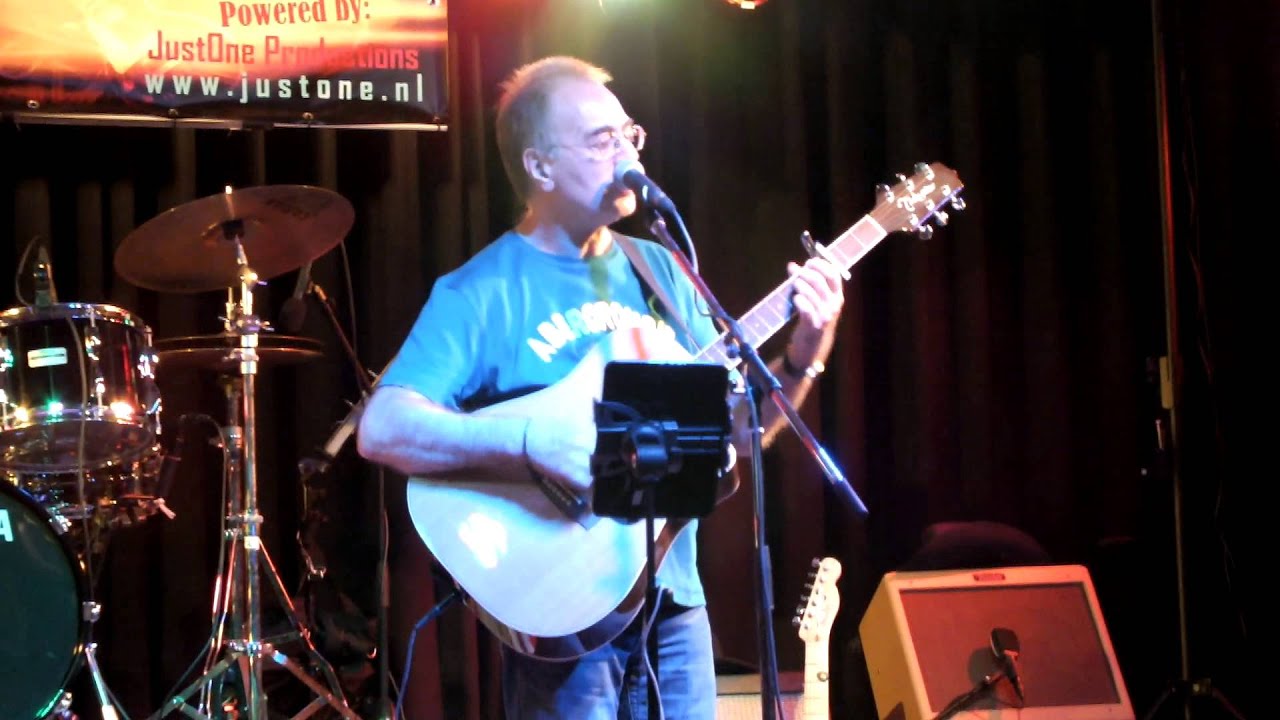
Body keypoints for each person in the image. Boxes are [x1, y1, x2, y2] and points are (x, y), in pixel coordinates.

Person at [356, 55, 845, 719]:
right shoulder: (480, 292)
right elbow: (382, 428)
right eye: (600, 139)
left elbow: (735, 432)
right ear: (539, 166)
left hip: (675, 603)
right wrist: (531, 441)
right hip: (563, 611)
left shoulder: (663, 272)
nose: (625, 154)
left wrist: (802, 356)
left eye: (629, 135)